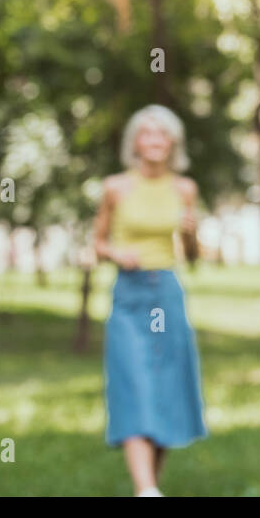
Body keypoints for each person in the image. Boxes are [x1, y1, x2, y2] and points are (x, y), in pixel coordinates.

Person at [93, 104, 207, 496]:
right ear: (135, 143)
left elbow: (192, 257)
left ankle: (149, 488)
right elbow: (97, 243)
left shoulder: (184, 189)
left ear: (173, 142)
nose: (154, 141)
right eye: (147, 133)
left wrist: (191, 235)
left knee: (164, 389)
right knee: (134, 385)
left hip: (167, 294)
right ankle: (146, 490)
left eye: (162, 134)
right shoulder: (115, 188)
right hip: (129, 295)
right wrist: (115, 254)